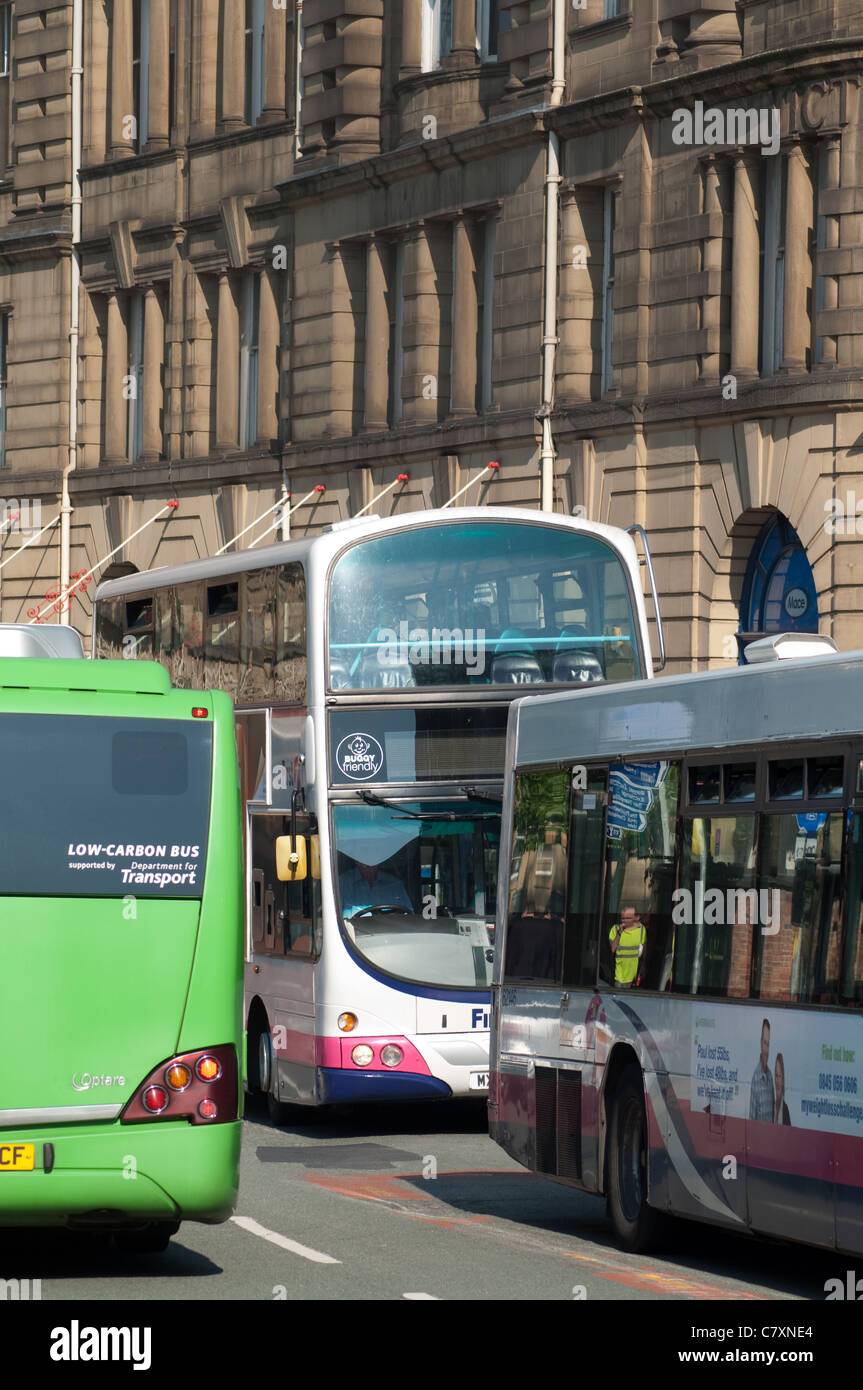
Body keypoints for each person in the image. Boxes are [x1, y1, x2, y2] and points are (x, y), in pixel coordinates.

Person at [338, 858, 413, 919]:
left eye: (374, 851)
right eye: (364, 850)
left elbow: (409, 918)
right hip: (352, 936)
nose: (369, 857)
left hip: (391, 934)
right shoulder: (341, 883)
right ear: (356, 857)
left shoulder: (395, 884)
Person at [608, 906, 646, 987]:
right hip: (618, 977)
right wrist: (619, 932)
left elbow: (644, 950)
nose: (623, 920)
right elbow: (613, 949)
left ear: (636, 918)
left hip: (633, 977)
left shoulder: (642, 930)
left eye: (628, 918)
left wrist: (642, 967)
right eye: (622, 918)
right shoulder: (615, 929)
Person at [749, 1017, 775, 1121]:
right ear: (760, 1043)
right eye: (764, 1043)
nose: (766, 1049)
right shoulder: (756, 1077)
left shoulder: (770, 1075)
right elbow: (752, 1116)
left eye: (768, 1044)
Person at [774, 1050, 791, 1125]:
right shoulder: (771, 1107)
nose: (777, 1081)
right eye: (776, 1075)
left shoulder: (785, 1110)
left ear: (783, 1080)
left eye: (780, 1076)